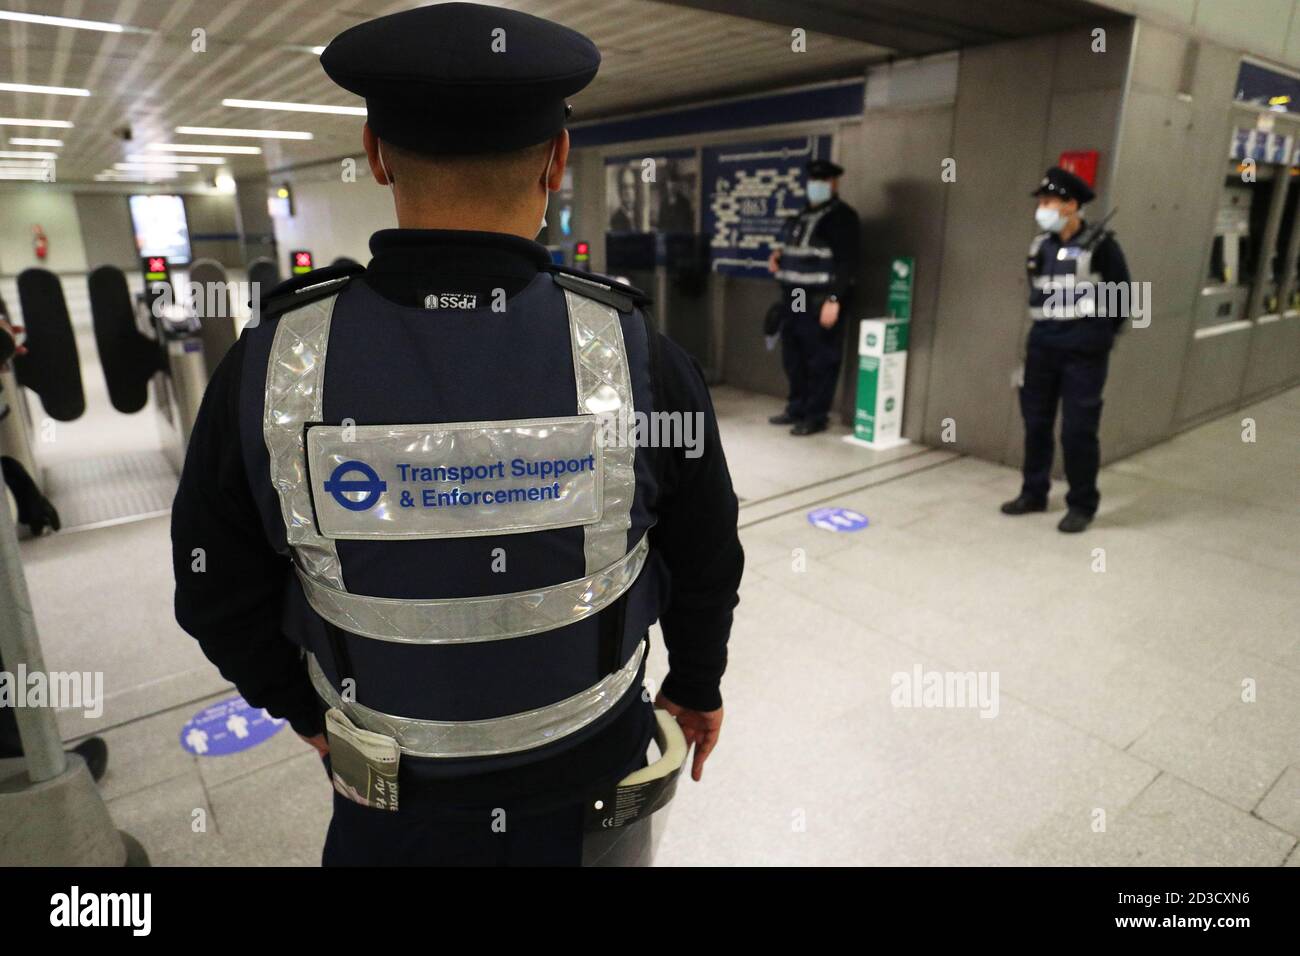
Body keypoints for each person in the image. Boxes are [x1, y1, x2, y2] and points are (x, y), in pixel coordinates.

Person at [170, 1, 743, 867]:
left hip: (388, 800)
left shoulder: (271, 364)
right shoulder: (636, 355)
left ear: (374, 153)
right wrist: (696, 682)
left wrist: (306, 710)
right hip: (591, 784)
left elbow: (213, 585)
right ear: (557, 159)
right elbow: (706, 552)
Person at [1001, 166, 1131, 533]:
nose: (1042, 209)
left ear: (1071, 205)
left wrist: (1097, 336)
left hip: (1083, 354)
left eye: (1048, 202)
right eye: (1041, 202)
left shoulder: (1102, 246)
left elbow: (1125, 298)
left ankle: (1082, 504)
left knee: (1078, 431)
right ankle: (1033, 493)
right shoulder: (1039, 246)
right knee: (1036, 424)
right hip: (1042, 348)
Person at [766, 158, 860, 436]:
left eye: (822, 181)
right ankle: (796, 407)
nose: (816, 185)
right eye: (813, 180)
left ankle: (816, 416)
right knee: (794, 355)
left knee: (821, 359)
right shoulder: (801, 216)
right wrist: (778, 256)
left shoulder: (843, 218)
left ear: (833, 184)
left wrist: (835, 300)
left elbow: (847, 263)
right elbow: (796, 250)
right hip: (795, 296)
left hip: (820, 299)